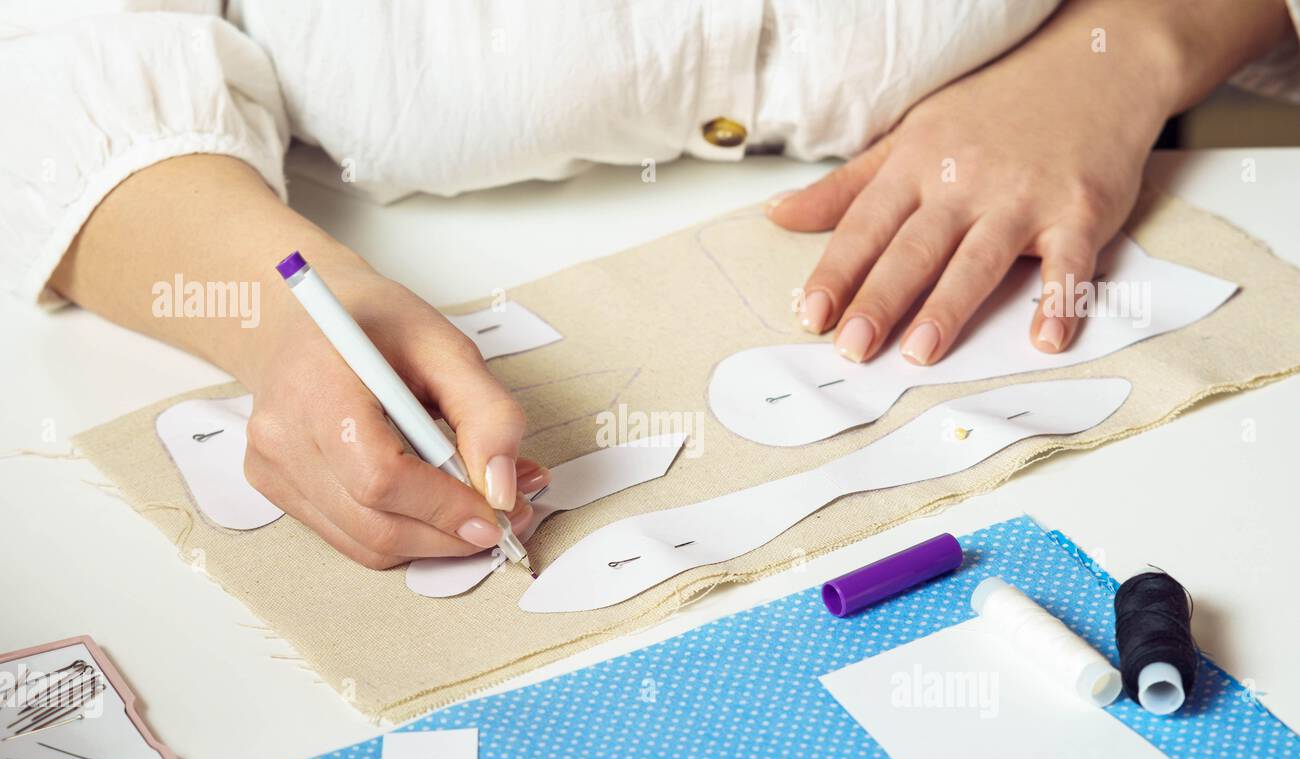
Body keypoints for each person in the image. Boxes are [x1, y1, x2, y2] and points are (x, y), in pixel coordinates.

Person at [3, 0, 1296, 570]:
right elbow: (55, 56)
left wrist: (1126, 51)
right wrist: (273, 314)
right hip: (338, 251)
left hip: (1136, 221)